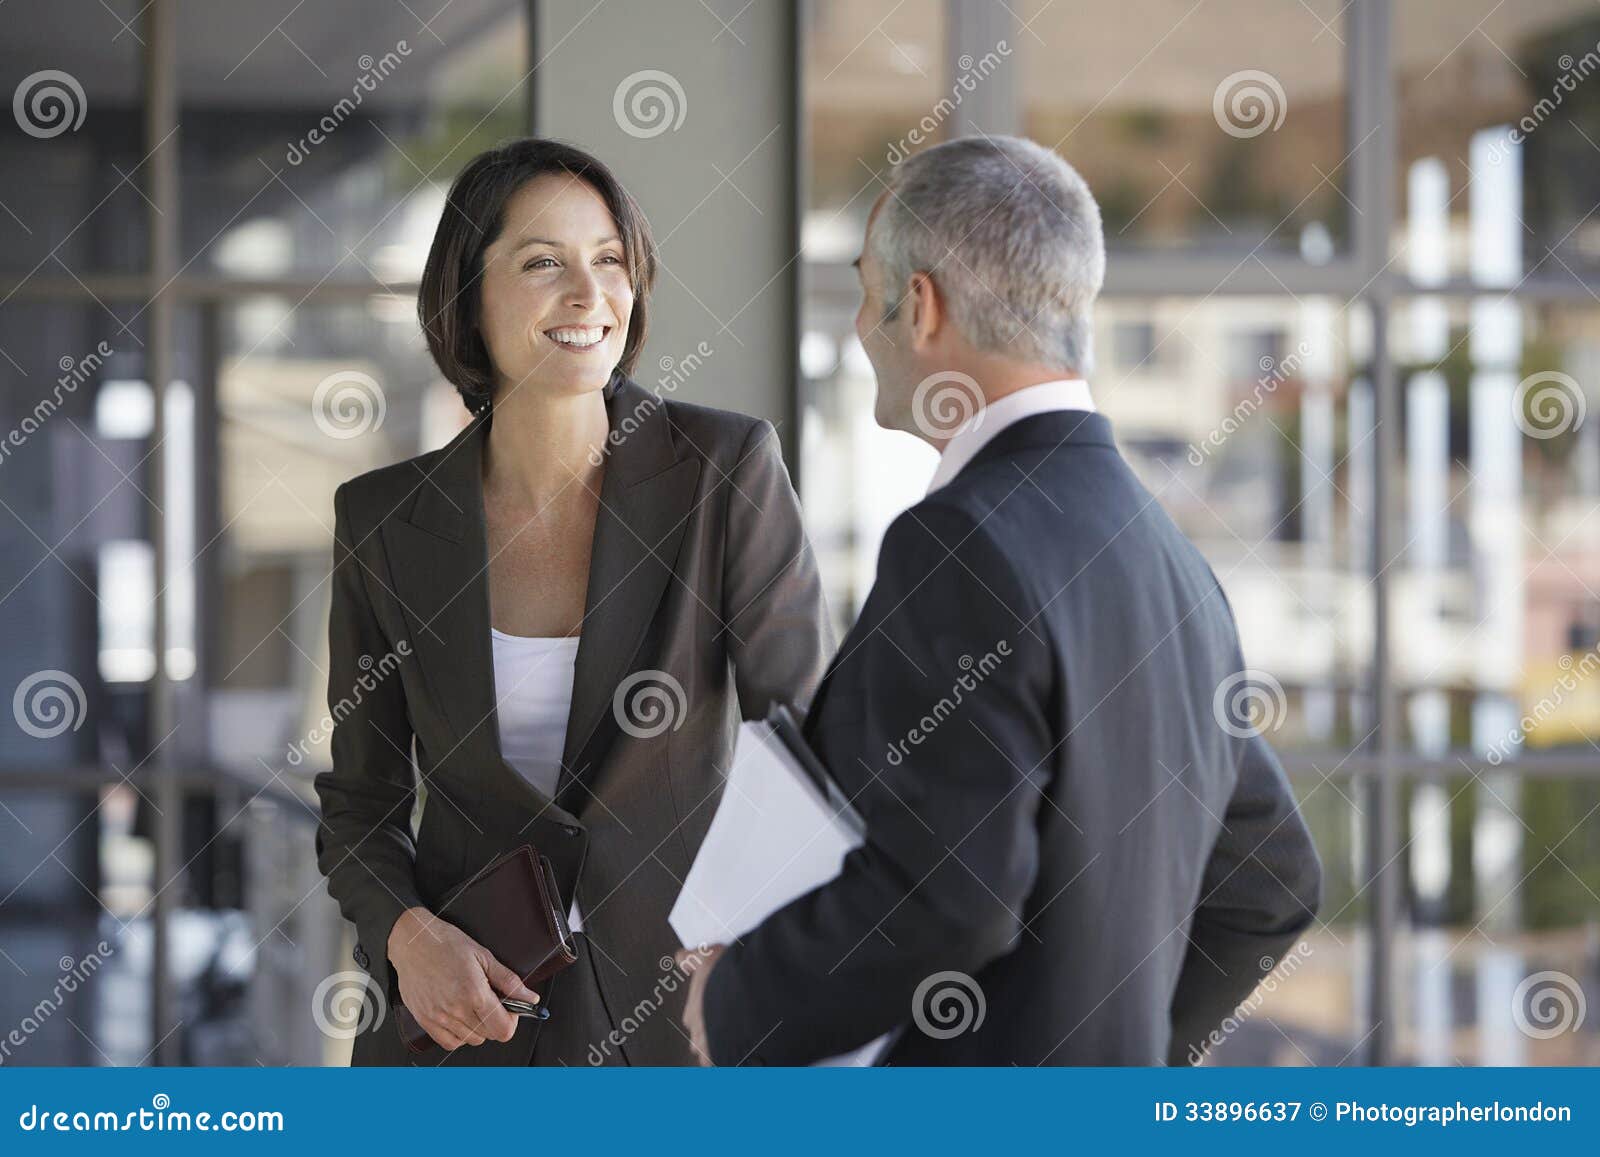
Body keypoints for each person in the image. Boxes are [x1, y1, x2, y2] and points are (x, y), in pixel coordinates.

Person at [678, 135, 1323, 1066]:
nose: (864, 325)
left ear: (925, 306)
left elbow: (952, 895)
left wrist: (735, 1000)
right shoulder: (1172, 559)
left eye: (870, 290)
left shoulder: (960, 543)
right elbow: (1271, 877)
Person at [313, 138, 831, 1066]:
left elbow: (800, 746)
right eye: (542, 263)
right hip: (457, 1025)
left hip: (683, 1023)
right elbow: (361, 800)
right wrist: (408, 938)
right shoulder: (384, 519)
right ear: (467, 296)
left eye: (610, 261)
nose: (589, 296)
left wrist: (753, 944)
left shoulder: (723, 472)